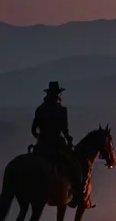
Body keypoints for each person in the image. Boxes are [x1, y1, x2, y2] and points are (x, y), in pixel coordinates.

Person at [31, 81, 92, 209]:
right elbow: (65, 131)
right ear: (57, 95)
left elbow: (33, 130)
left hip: (41, 146)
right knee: (75, 167)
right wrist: (69, 140)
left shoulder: (40, 109)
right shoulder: (61, 110)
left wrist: (40, 137)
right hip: (56, 146)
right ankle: (75, 195)